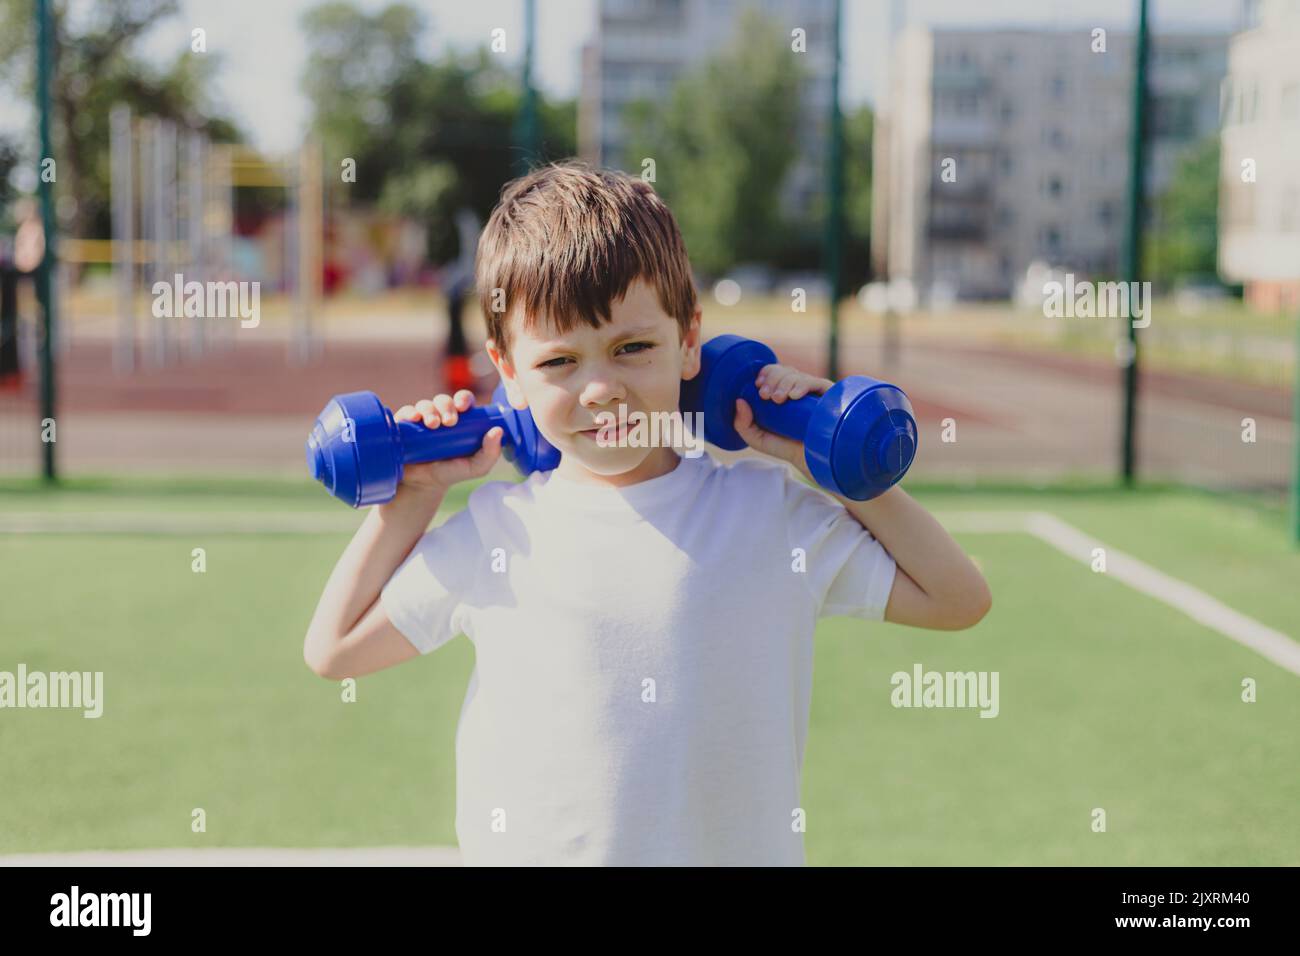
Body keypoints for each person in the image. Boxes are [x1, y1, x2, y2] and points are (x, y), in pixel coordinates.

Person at [302, 161, 991, 866]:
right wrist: (412, 499)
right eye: (559, 362)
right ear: (505, 370)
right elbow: (334, 649)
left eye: (632, 348)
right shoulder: (499, 531)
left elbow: (956, 597)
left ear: (689, 340)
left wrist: (835, 464)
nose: (601, 389)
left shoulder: (767, 513)